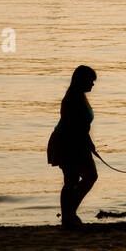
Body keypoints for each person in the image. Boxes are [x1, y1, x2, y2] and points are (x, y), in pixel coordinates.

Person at [47, 65, 98, 229]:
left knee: (76, 179)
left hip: (76, 141)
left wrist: (88, 142)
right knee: (77, 178)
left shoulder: (79, 96)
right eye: (91, 81)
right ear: (82, 80)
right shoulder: (72, 99)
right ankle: (68, 215)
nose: (93, 84)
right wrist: (86, 142)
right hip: (67, 142)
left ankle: (69, 215)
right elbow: (72, 126)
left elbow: (81, 126)